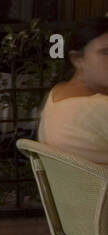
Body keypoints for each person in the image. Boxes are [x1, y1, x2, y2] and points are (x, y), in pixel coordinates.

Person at [38, 17, 108, 166]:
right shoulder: (98, 107)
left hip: (72, 188)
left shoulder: (57, 94)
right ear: (77, 59)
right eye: (105, 52)